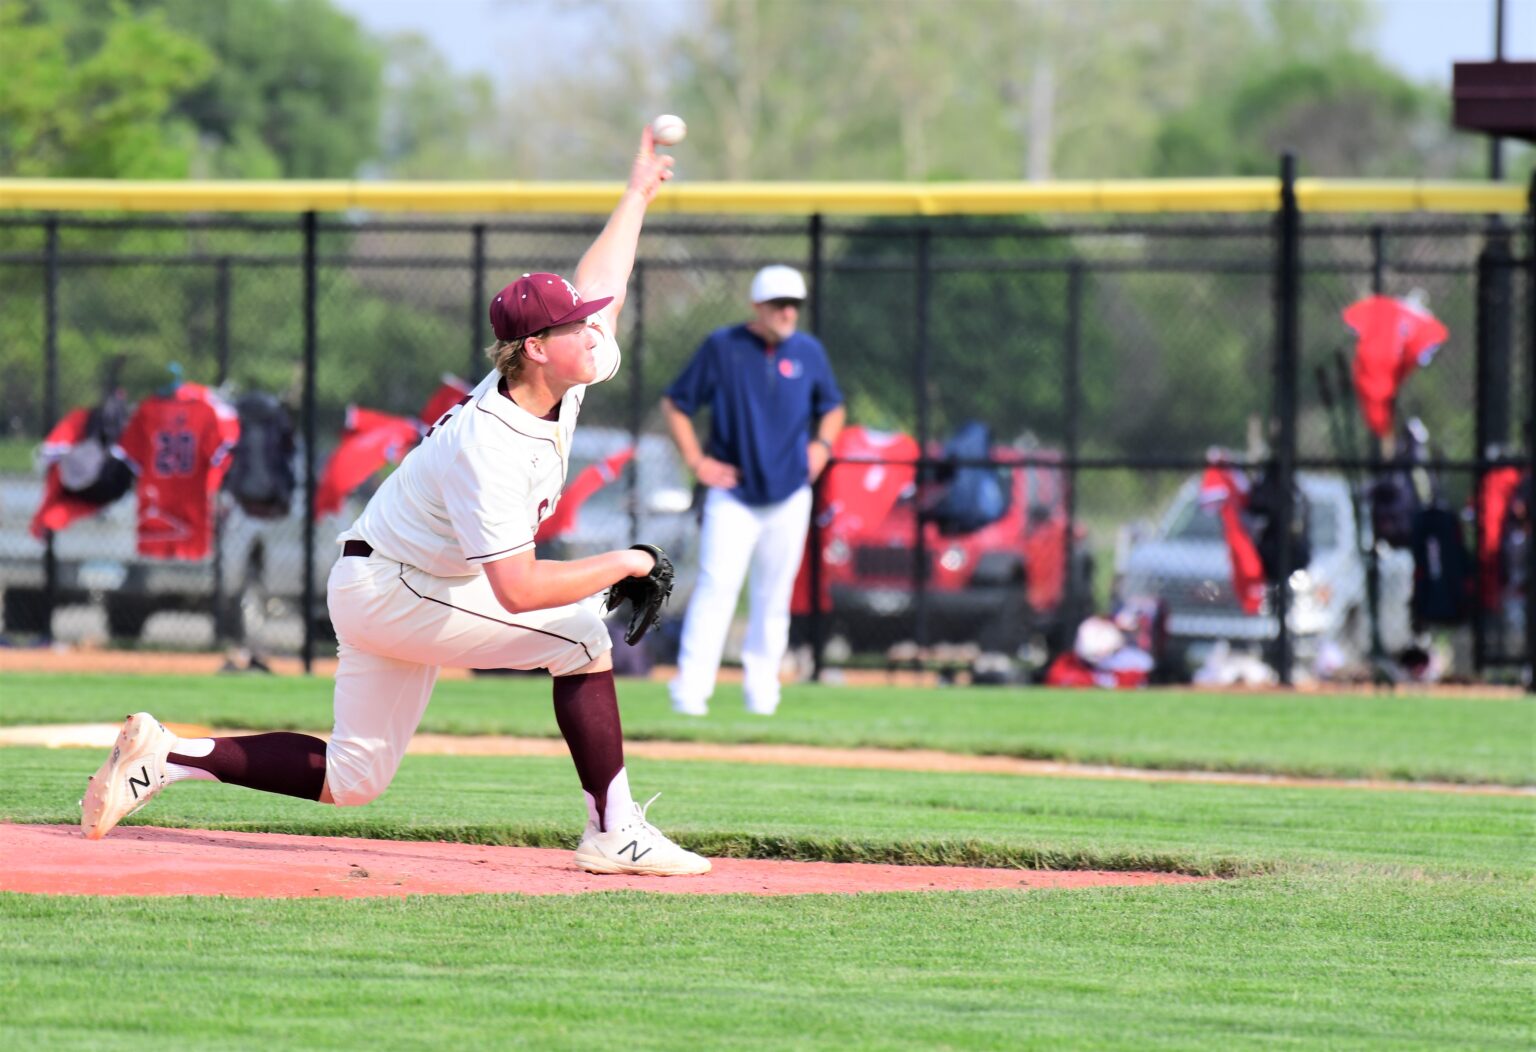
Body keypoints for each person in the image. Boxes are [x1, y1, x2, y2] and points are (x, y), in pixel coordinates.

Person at [79, 125, 711, 877]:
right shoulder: (492, 444)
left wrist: (635, 195)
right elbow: (517, 590)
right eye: (576, 325)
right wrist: (629, 559)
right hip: (398, 586)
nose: (594, 332)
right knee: (579, 637)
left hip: (395, 576)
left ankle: (168, 754)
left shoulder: (560, 371)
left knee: (353, 778)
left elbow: (600, 274)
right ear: (537, 347)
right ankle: (614, 830)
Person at [661, 265, 845, 716]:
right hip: (735, 492)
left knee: (774, 594)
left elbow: (833, 407)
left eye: (794, 305)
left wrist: (821, 447)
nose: (787, 312)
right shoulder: (724, 347)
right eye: (779, 304)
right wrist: (696, 461)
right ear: (757, 306)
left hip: (789, 494)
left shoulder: (808, 351)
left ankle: (763, 693)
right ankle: (691, 692)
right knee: (716, 587)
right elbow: (676, 402)